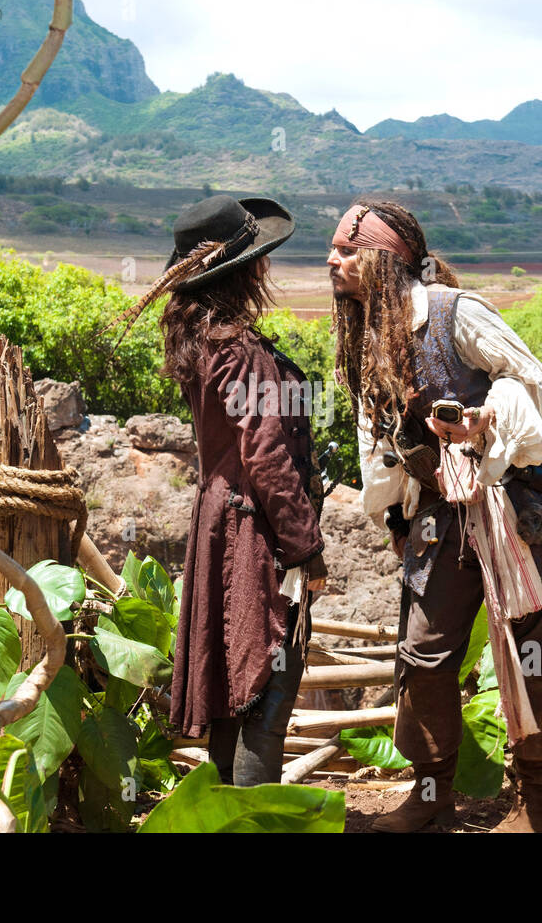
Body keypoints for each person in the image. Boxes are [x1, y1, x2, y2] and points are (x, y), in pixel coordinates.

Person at [327, 200, 542, 832]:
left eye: (346, 250)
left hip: (516, 506)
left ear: (383, 259)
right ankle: (433, 794)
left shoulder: (454, 315)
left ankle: (538, 806)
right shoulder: (371, 333)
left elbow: (527, 381)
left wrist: (484, 427)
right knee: (424, 654)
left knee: (531, 653)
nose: (333, 260)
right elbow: (377, 435)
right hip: (441, 514)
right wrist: (396, 516)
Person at [105, 194, 326, 785]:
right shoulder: (239, 350)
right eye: (262, 258)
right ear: (247, 269)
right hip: (254, 529)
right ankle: (249, 815)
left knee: (235, 675)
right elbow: (267, 456)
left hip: (221, 519)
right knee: (268, 686)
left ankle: (227, 809)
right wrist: (306, 547)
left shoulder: (204, 339)